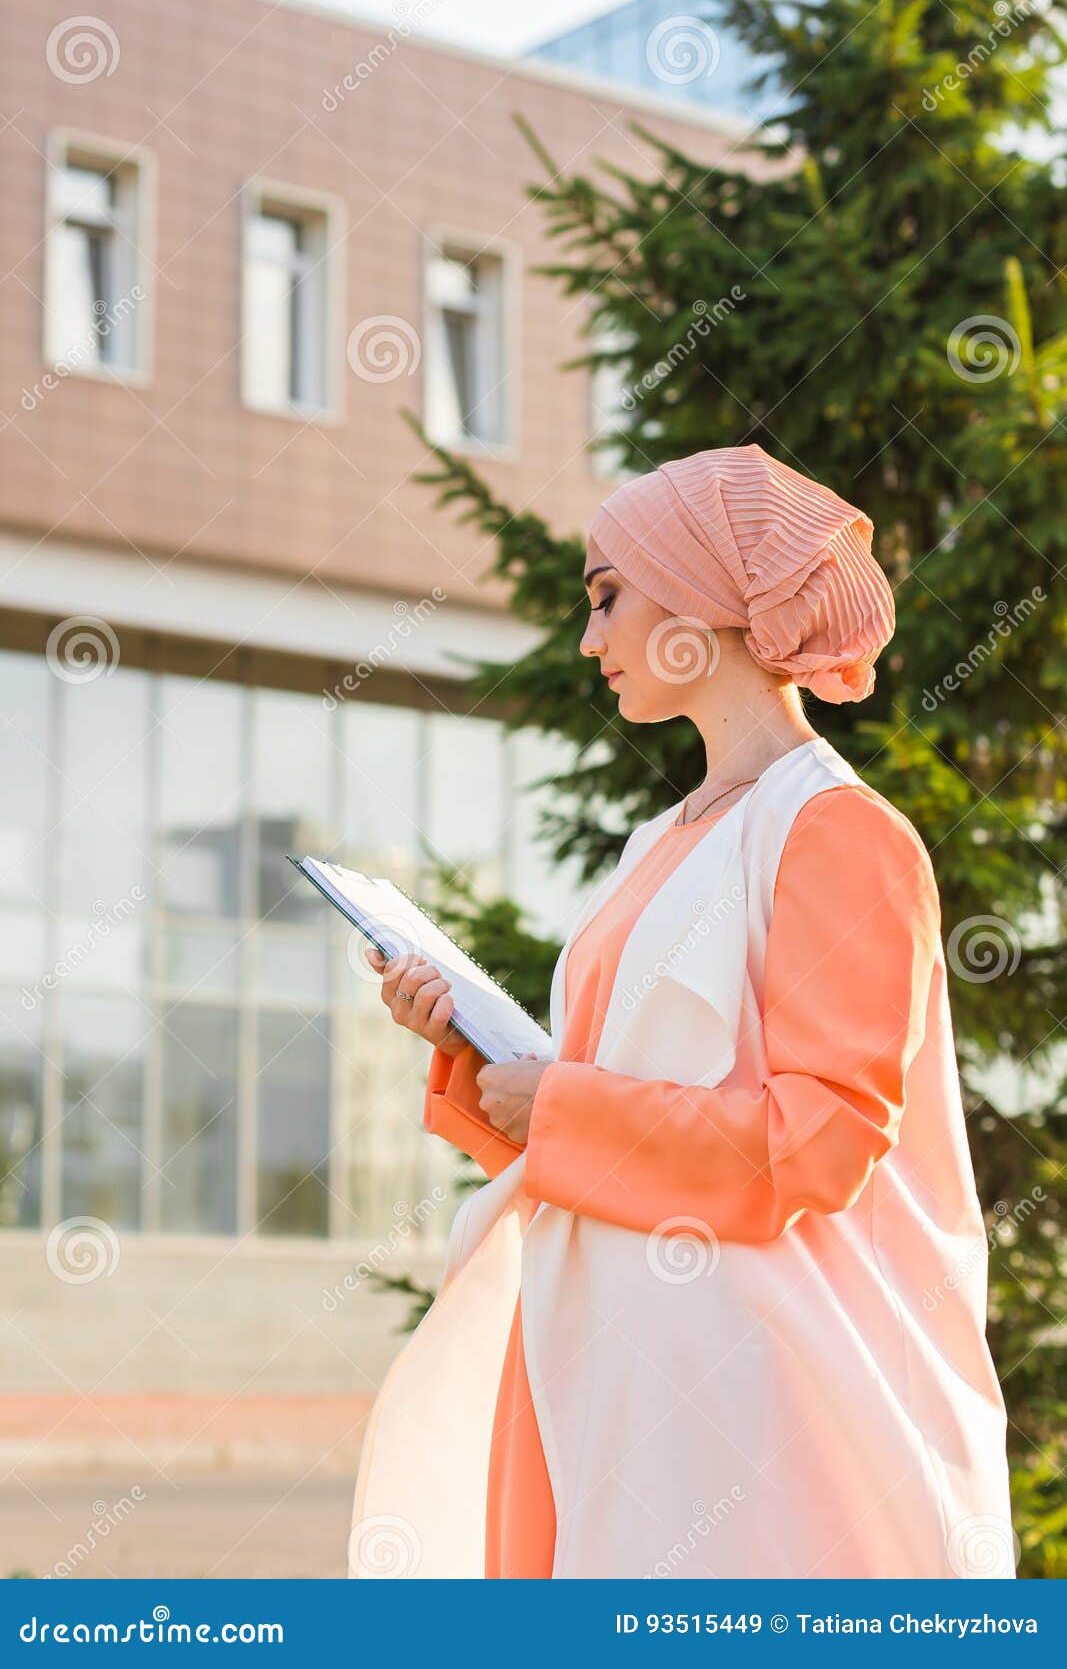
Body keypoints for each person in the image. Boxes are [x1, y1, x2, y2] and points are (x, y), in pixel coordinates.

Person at [352, 443, 1015, 1581]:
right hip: (605, 1381)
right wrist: (477, 1057)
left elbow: (817, 1140)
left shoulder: (839, 833)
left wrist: (555, 1104)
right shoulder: (659, 842)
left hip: (751, 1421)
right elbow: (618, 1099)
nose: (587, 638)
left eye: (606, 595)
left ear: (703, 594)